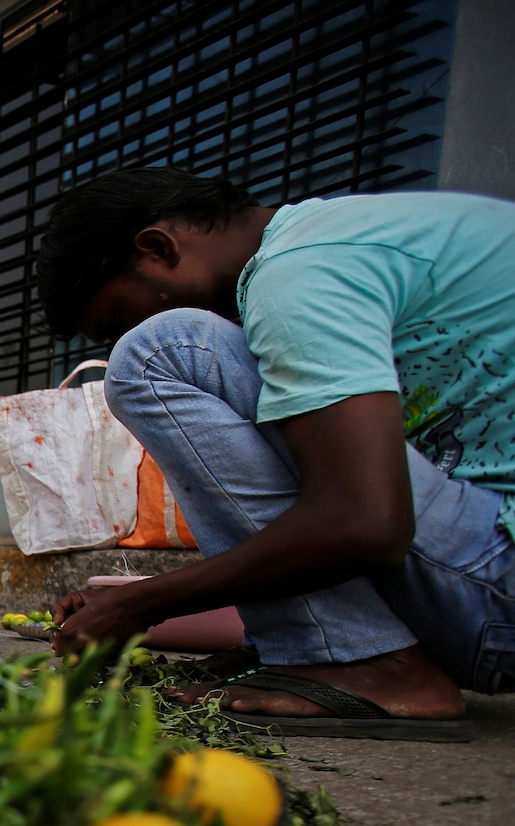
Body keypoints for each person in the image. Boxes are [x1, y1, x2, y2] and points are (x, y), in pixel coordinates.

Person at [35, 168, 515, 739]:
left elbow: (367, 523)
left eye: (119, 317)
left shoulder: (298, 274)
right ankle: (312, 648)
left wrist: (140, 606)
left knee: (161, 351)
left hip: (499, 594)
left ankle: (366, 664)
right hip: (487, 574)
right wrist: (133, 599)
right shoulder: (336, 239)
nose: (124, 333)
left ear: (158, 248)